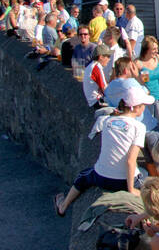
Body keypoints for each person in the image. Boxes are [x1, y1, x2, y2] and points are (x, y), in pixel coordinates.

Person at [55, 80, 152, 215]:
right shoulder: (139, 127)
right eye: (143, 106)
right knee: (146, 178)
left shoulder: (107, 121)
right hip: (125, 181)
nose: (144, 108)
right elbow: (130, 161)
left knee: (83, 176)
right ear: (135, 107)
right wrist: (131, 189)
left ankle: (64, 205)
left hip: (102, 177)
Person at [138, 36, 159, 137]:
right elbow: (134, 82)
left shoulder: (157, 58)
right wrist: (140, 79)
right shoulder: (138, 63)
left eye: (157, 48)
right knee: (149, 128)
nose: (156, 51)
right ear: (146, 49)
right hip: (146, 98)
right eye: (154, 49)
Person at [83, 43, 113, 107]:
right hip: (97, 101)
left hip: (93, 100)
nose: (109, 59)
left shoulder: (91, 65)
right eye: (108, 56)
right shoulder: (96, 67)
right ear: (101, 57)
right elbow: (105, 89)